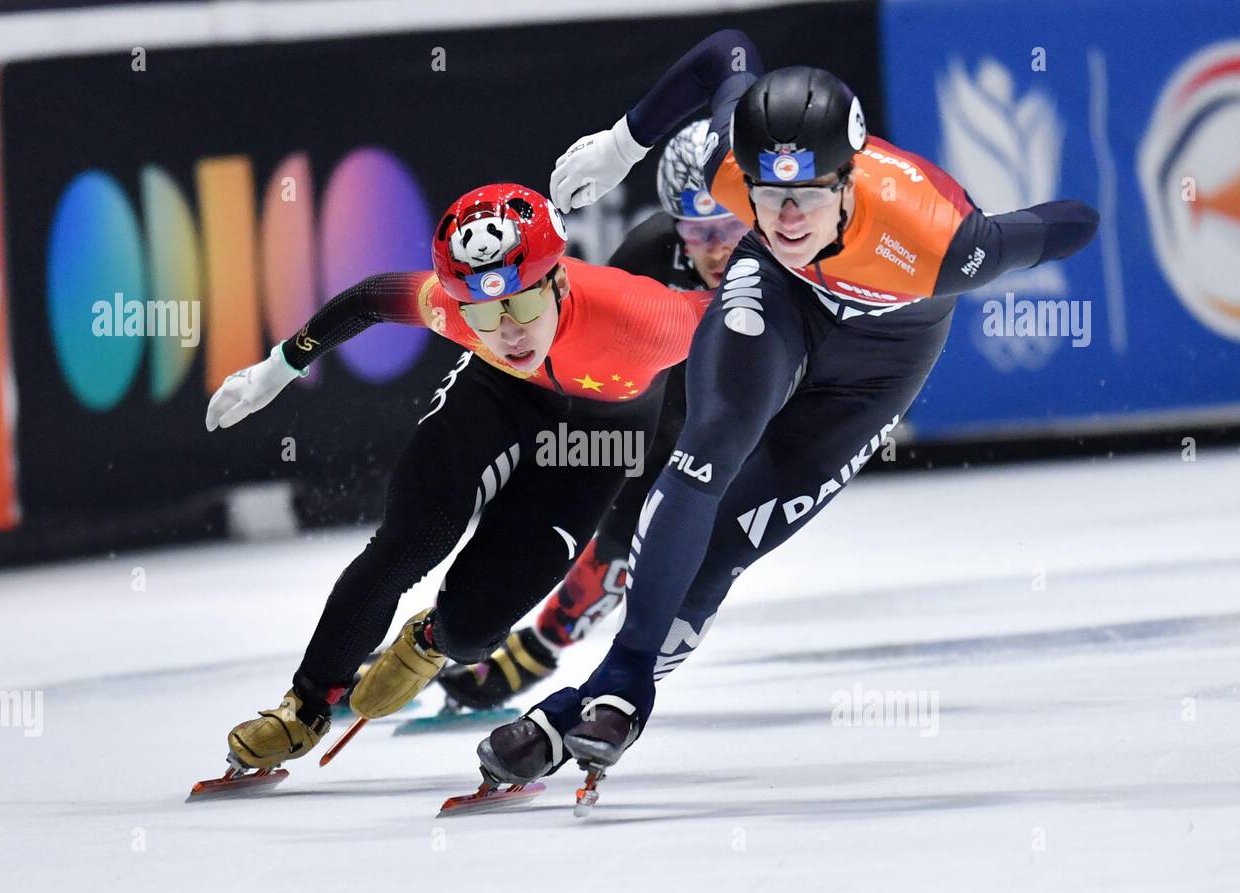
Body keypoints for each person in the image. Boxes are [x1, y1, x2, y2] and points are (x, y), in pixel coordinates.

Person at [471, 30, 1100, 791]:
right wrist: (622, 144)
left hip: (877, 366)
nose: (788, 218)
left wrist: (1103, 202)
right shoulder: (729, 165)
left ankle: (587, 695)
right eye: (769, 198)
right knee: (707, 450)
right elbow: (727, 52)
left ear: (849, 182)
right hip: (781, 299)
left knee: (732, 538)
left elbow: (1069, 223)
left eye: (805, 198)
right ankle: (628, 683)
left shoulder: (939, 242)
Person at [202, 182, 708, 776]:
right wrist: (280, 366)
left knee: (472, 632)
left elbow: (761, 321)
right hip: (498, 391)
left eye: (523, 305)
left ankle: (435, 641)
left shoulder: (647, 319)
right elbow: (369, 298)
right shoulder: (451, 308)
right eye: (485, 314)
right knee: (407, 543)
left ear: (561, 280)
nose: (509, 332)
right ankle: (305, 704)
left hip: (598, 435)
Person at [436, 120, 748, 712]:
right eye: (695, 230)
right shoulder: (652, 249)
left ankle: (540, 647)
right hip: (653, 401)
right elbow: (591, 342)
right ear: (673, 223)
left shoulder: (785, 260)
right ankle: (460, 625)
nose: (715, 248)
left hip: (742, 411)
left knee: (638, 532)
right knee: (585, 499)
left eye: (729, 227)